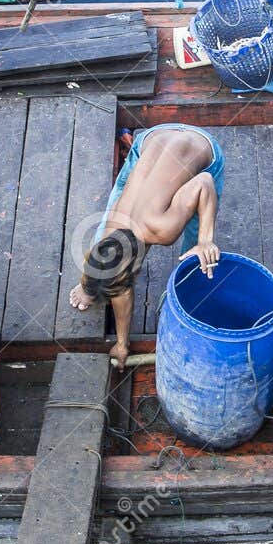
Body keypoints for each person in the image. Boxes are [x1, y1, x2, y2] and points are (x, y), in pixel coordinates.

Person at [68, 124, 224, 369]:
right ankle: (89, 286)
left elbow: (205, 182)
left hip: (201, 146)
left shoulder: (162, 230)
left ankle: (195, 264)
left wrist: (207, 239)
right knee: (120, 195)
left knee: (195, 243)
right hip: (152, 139)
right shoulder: (108, 235)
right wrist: (121, 344)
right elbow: (119, 282)